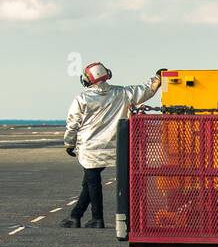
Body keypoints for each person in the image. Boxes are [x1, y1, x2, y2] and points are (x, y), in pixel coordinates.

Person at [62, 62, 162, 229]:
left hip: (90, 148)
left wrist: (69, 142)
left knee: (92, 182)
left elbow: (73, 123)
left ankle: (96, 218)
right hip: (116, 146)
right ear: (107, 75)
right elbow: (146, 90)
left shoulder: (82, 98)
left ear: (88, 80)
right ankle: (76, 215)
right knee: (88, 182)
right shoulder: (122, 93)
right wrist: (158, 77)